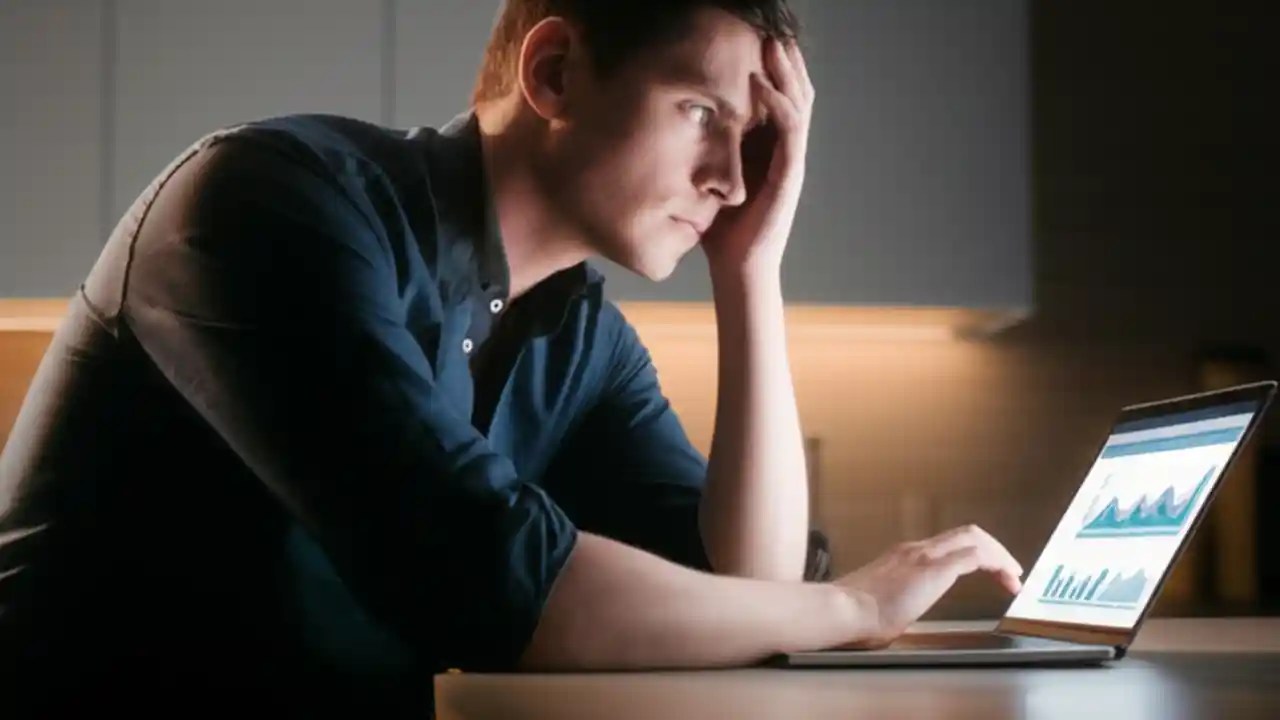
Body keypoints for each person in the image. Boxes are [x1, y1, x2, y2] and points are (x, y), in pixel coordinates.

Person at [0, 0, 1023, 714]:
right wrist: (851, 605)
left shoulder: (580, 337)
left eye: (755, 140)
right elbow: (501, 591)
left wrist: (750, 276)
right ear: (553, 72)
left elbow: (735, 589)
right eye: (703, 115)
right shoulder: (265, 204)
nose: (729, 178)